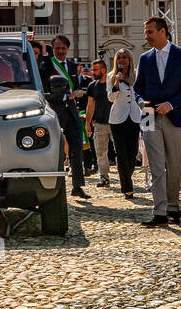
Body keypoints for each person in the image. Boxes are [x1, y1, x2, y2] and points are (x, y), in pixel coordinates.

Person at [134, 16, 181, 226]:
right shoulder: (144, 58)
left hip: (176, 115)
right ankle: (159, 211)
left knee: (174, 163)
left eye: (150, 32)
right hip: (149, 117)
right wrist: (142, 102)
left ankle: (173, 205)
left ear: (163, 32)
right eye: (146, 32)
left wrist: (172, 103)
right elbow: (137, 88)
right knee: (156, 164)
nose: (146, 36)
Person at [40, 35, 88, 198]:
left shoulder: (74, 66)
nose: (60, 51)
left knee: (77, 150)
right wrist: (68, 96)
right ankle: (57, 188)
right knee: (56, 151)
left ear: (68, 49)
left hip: (72, 113)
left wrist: (79, 92)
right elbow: (46, 91)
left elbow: (78, 87)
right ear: (53, 49)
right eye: (57, 48)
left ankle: (78, 186)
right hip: (55, 112)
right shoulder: (47, 66)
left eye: (63, 48)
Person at [105, 49, 144, 197]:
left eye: (125, 57)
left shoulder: (136, 75)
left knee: (132, 153)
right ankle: (127, 187)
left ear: (129, 59)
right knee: (120, 153)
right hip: (117, 118)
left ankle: (126, 177)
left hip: (134, 117)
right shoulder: (111, 76)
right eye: (119, 58)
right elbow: (110, 98)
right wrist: (116, 83)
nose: (122, 60)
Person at [83, 58, 112, 186]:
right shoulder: (92, 86)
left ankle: (125, 178)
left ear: (103, 70)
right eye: (92, 69)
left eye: (95, 69)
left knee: (121, 152)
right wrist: (87, 123)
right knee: (100, 152)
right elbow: (90, 106)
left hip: (116, 122)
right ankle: (104, 178)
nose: (92, 72)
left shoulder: (113, 84)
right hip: (100, 123)